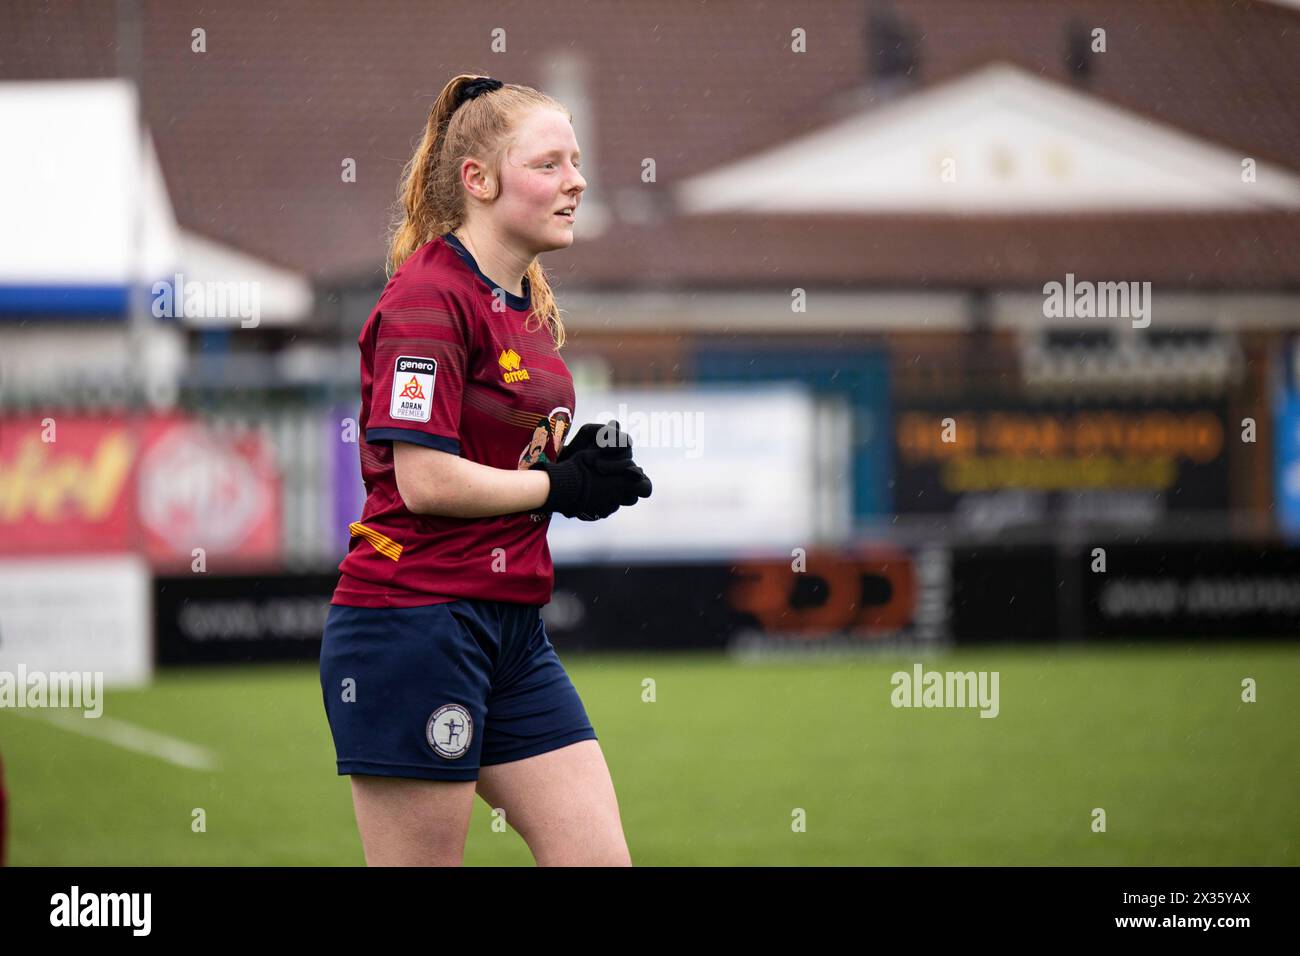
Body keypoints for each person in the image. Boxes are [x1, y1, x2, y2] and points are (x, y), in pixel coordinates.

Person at [319, 73, 652, 866]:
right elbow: (425, 480)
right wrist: (557, 488)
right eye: (549, 164)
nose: (575, 181)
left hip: (512, 630)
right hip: (414, 624)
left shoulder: (521, 298)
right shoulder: (427, 297)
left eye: (576, 162)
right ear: (479, 179)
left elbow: (497, 443)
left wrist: (573, 461)